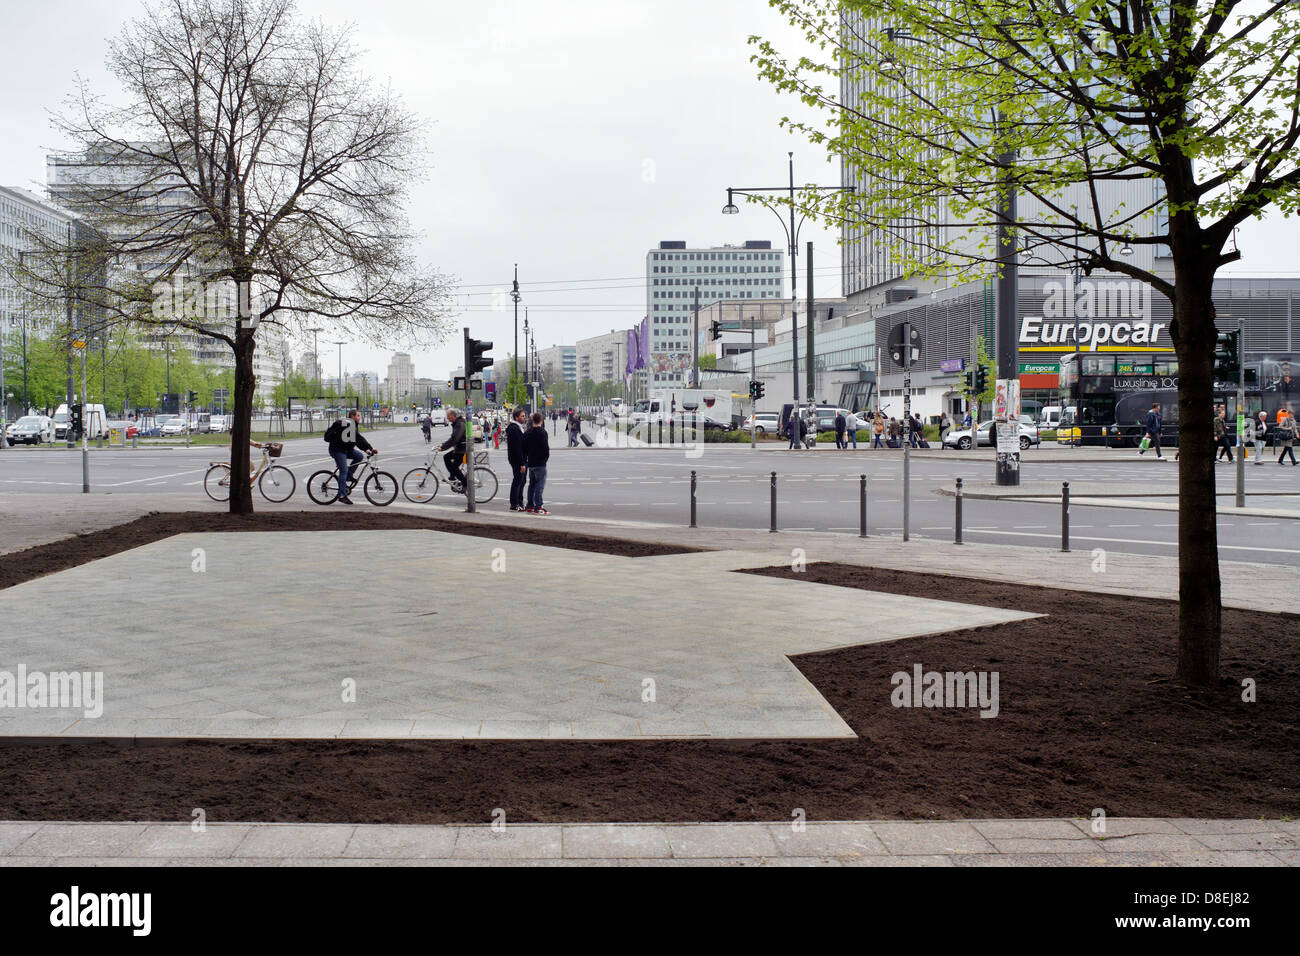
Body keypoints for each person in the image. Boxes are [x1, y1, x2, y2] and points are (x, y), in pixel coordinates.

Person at [323, 409, 375, 505]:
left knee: (359, 456)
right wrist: (369, 448)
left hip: (346, 450)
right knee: (343, 471)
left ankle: (348, 476)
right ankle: (342, 495)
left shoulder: (350, 424)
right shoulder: (347, 424)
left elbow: (356, 439)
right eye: (358, 416)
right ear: (352, 416)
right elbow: (358, 438)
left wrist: (366, 449)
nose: (360, 418)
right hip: (337, 450)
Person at [523, 411, 551, 513]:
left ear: (532, 420)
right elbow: (545, 449)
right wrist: (545, 459)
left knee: (532, 485)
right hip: (540, 463)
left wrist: (528, 457)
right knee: (540, 485)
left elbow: (524, 447)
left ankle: (530, 505)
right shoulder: (543, 433)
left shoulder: (527, 432)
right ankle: (538, 506)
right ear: (541, 420)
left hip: (531, 462)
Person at [505, 407, 529, 511]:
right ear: (516, 417)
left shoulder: (517, 427)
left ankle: (519, 502)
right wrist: (522, 463)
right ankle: (514, 504)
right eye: (522, 416)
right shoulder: (514, 429)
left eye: (524, 416)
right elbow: (517, 448)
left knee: (521, 481)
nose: (525, 418)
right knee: (518, 481)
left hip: (520, 459)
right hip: (518, 460)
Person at [438, 408, 467, 490]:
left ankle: (465, 483)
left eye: (448, 416)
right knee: (446, 457)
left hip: (463, 450)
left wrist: (443, 447)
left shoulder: (460, 424)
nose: (447, 418)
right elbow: (452, 438)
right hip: (459, 448)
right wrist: (443, 444)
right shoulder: (456, 423)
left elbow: (454, 439)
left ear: (452, 415)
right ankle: (452, 477)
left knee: (454, 467)